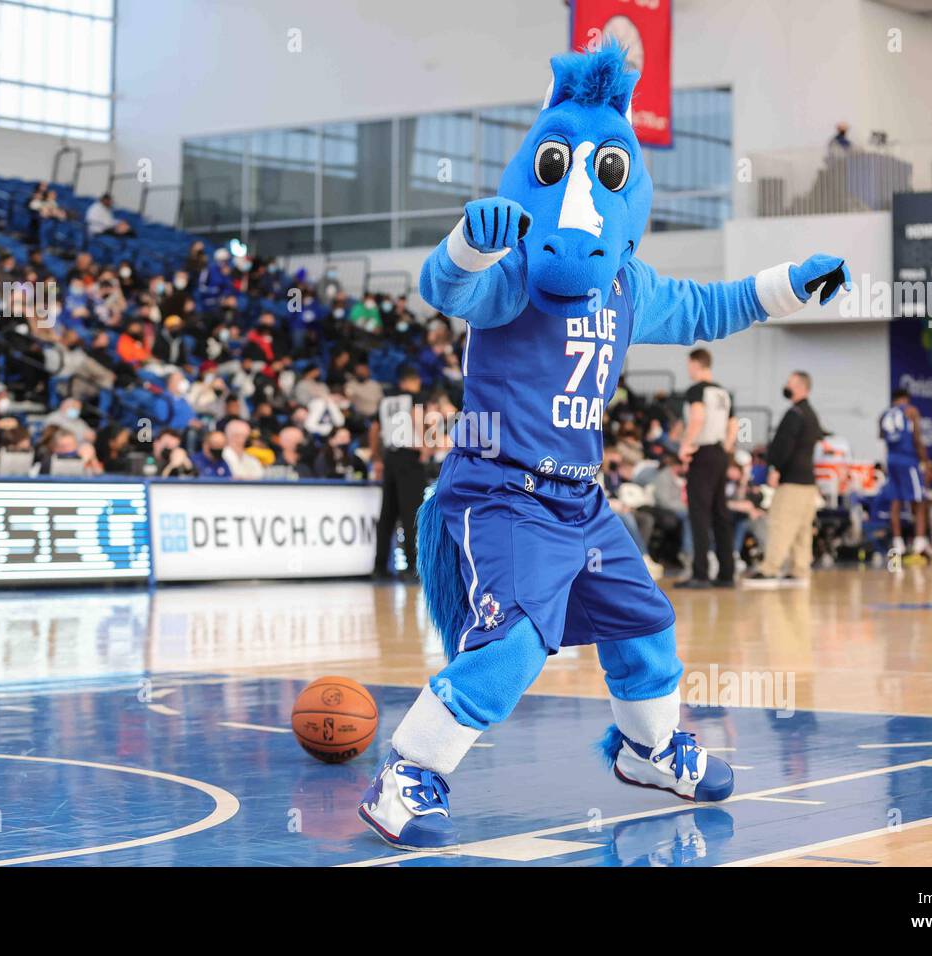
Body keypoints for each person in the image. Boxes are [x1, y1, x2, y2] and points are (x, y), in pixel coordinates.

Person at [356, 42, 850, 851]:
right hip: (502, 492)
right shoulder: (512, 270)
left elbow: (710, 308)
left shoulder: (629, 282)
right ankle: (408, 774)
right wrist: (468, 243)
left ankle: (649, 749)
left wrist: (792, 281)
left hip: (581, 499)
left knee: (645, 622)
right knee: (513, 643)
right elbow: (446, 290)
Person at [745, 370, 824, 586]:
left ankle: (770, 569)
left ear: (800, 386)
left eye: (789, 382)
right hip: (808, 482)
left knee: (780, 523)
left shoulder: (795, 414)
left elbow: (784, 445)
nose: (786, 385)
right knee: (802, 529)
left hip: (792, 481)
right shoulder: (811, 414)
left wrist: (775, 468)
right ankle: (799, 570)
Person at [676, 348, 735, 588]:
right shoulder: (724, 393)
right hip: (720, 453)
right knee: (720, 513)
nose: (688, 369)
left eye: (689, 365)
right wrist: (725, 450)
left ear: (697, 364)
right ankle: (726, 573)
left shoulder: (696, 390)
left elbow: (697, 417)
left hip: (703, 454)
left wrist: (685, 446)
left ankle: (700, 574)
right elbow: (734, 426)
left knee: (699, 514)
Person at [369, 364, 427, 581]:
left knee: (387, 515)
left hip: (390, 458)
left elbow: (374, 429)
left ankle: (379, 567)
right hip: (409, 457)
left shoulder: (385, 401)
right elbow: (417, 419)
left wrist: (376, 456)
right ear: (413, 381)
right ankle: (412, 566)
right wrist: (423, 447)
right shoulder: (414, 397)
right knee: (411, 513)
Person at [876, 386, 931, 560]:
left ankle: (898, 543)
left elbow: (881, 437)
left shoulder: (884, 415)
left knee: (896, 501)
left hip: (892, 460)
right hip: (908, 460)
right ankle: (919, 542)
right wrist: (925, 461)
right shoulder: (911, 411)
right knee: (920, 499)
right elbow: (916, 438)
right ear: (906, 398)